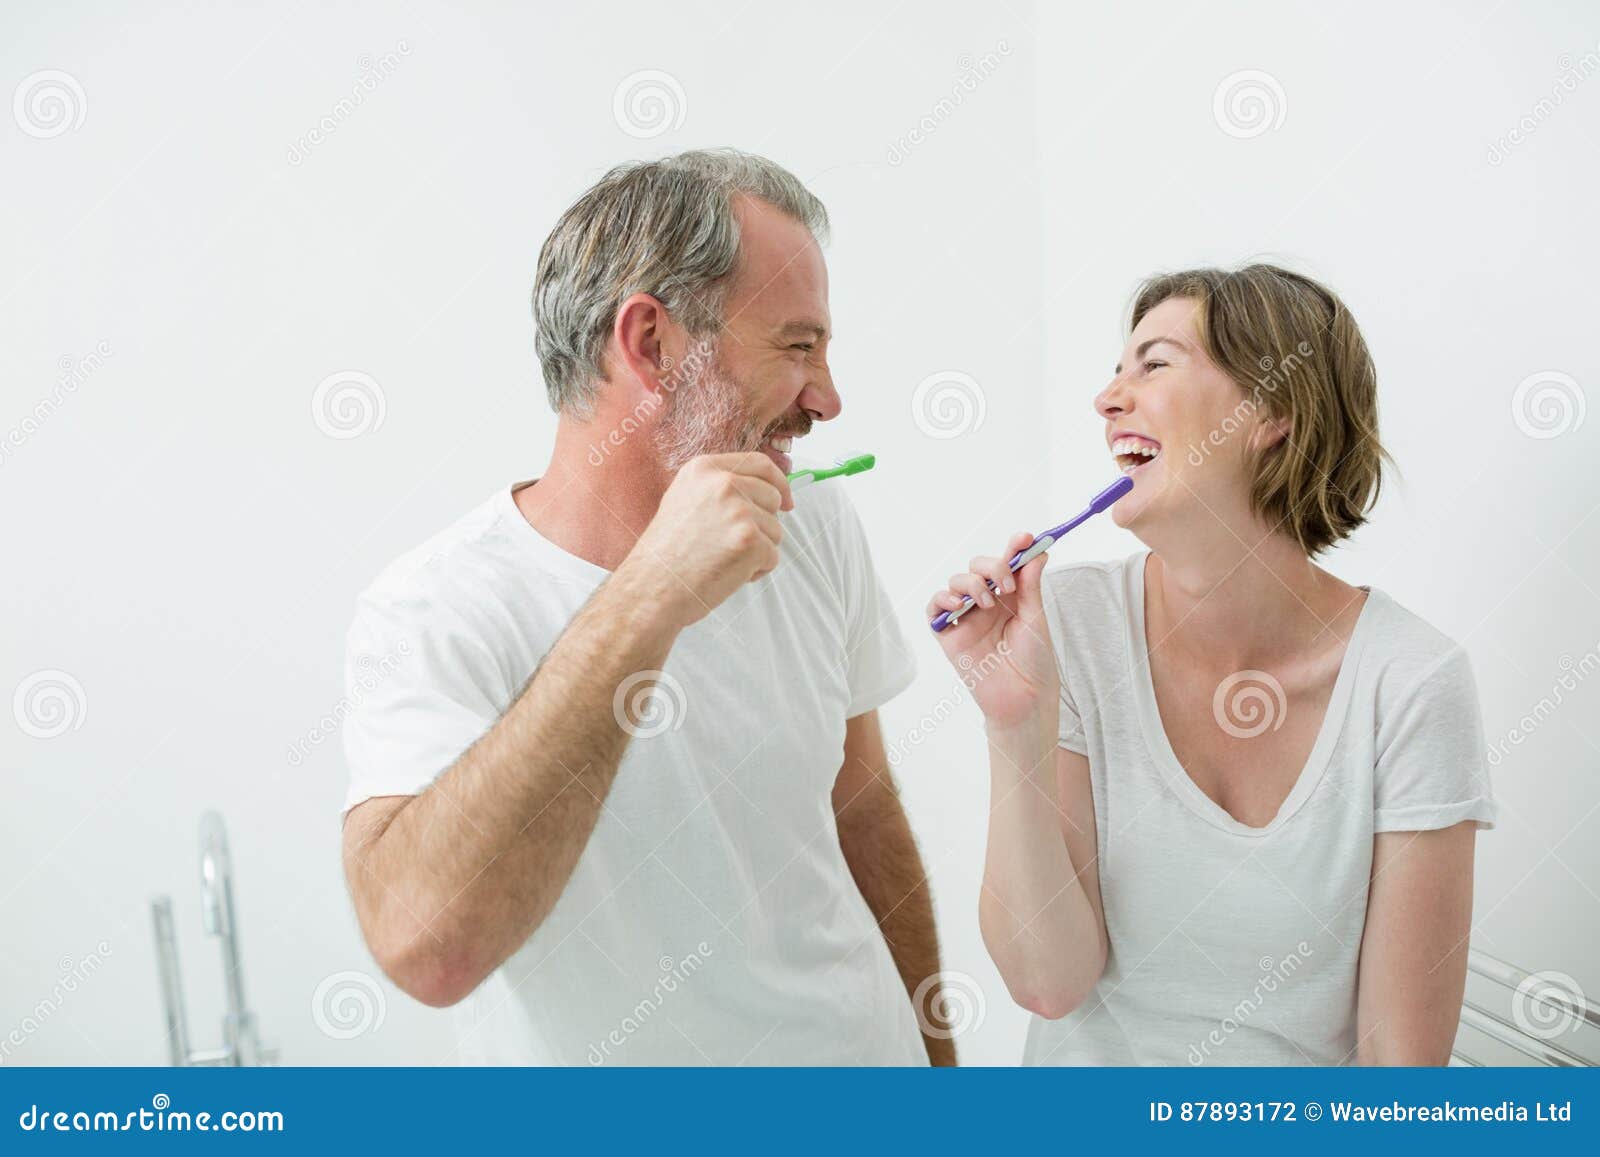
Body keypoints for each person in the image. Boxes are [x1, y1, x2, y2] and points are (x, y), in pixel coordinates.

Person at [341, 149, 952, 1065]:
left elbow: (864, 815)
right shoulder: (436, 607)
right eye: (796, 346)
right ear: (652, 344)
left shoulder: (812, 523)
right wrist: (649, 596)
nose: (828, 398)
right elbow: (427, 948)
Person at [928, 264, 1497, 1065]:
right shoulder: (1073, 625)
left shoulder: (1410, 683)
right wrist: (1015, 724)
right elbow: (1049, 982)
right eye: (1116, 368)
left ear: (1273, 412)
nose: (1108, 398)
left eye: (1153, 363)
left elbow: (1399, 1079)